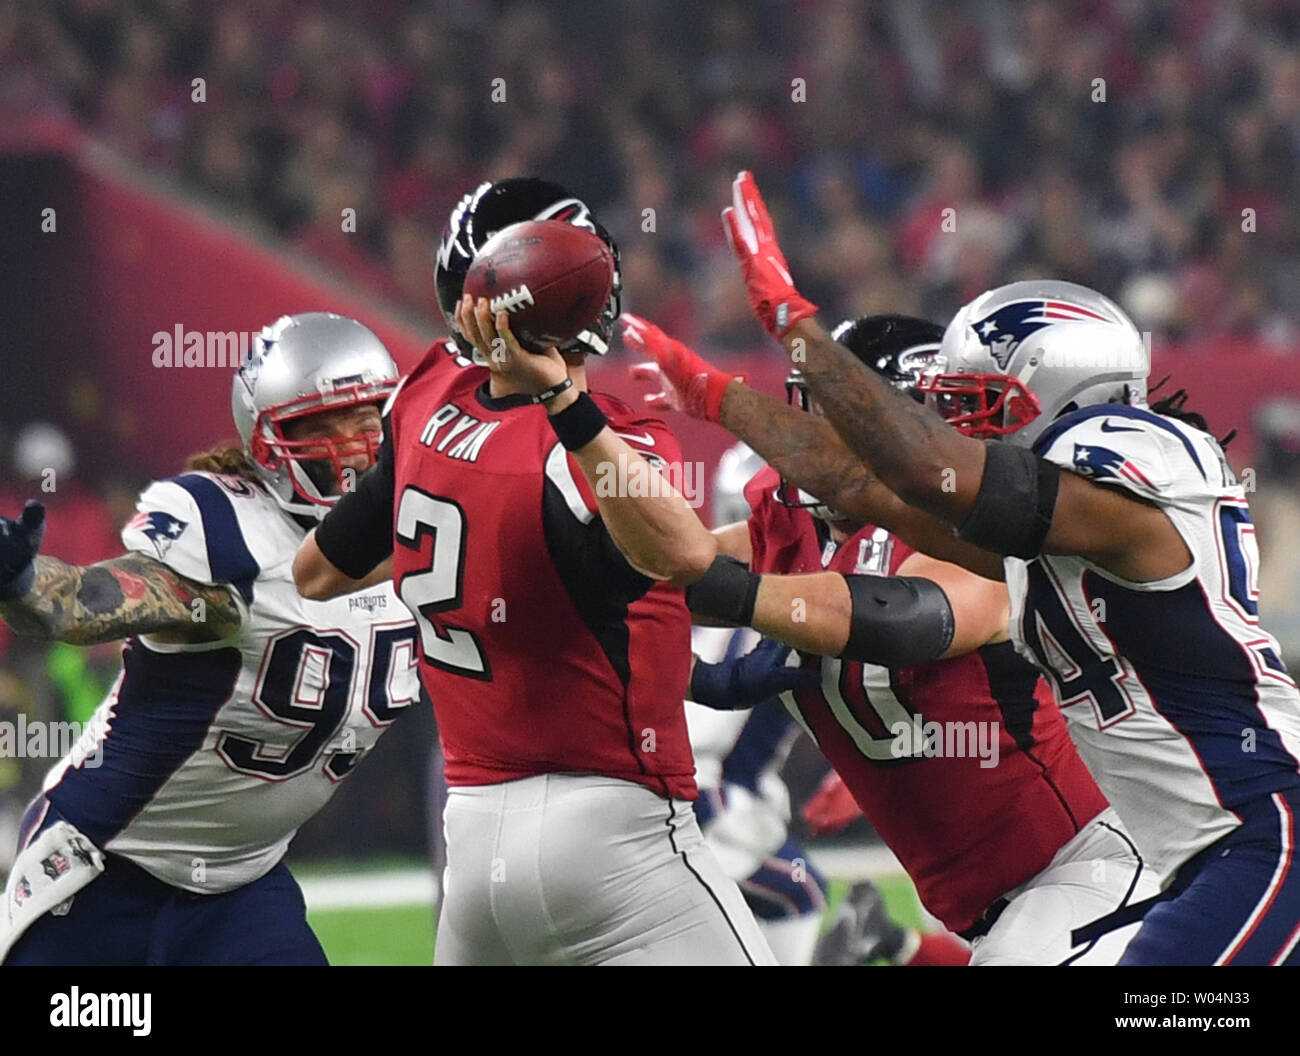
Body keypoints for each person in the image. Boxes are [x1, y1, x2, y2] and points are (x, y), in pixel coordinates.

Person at [685, 171, 1300, 966]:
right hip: (1209, 850)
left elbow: (924, 481)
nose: (960, 427)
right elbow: (868, 488)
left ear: (1061, 389)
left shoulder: (1131, 471)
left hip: (1263, 830)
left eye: (981, 402)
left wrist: (795, 327)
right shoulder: (1056, 534)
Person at [292, 179, 773, 966]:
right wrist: (564, 402)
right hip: (615, 835)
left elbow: (317, 573)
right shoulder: (604, 444)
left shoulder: (424, 400)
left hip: (474, 843)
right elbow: (678, 555)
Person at [638, 313, 1155, 964]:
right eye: (811, 408)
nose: (809, 436)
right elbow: (678, 575)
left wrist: (748, 602)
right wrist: (581, 435)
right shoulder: (794, 525)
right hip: (997, 902)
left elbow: (909, 618)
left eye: (840, 417)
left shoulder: (972, 530)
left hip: (1086, 865)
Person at [0, 312, 420, 966]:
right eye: (319, 424)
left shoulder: (426, 529)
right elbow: (86, 604)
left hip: (243, 883)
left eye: (366, 418)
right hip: (105, 870)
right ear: (267, 439)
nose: (350, 444)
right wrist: (23, 584)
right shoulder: (227, 529)